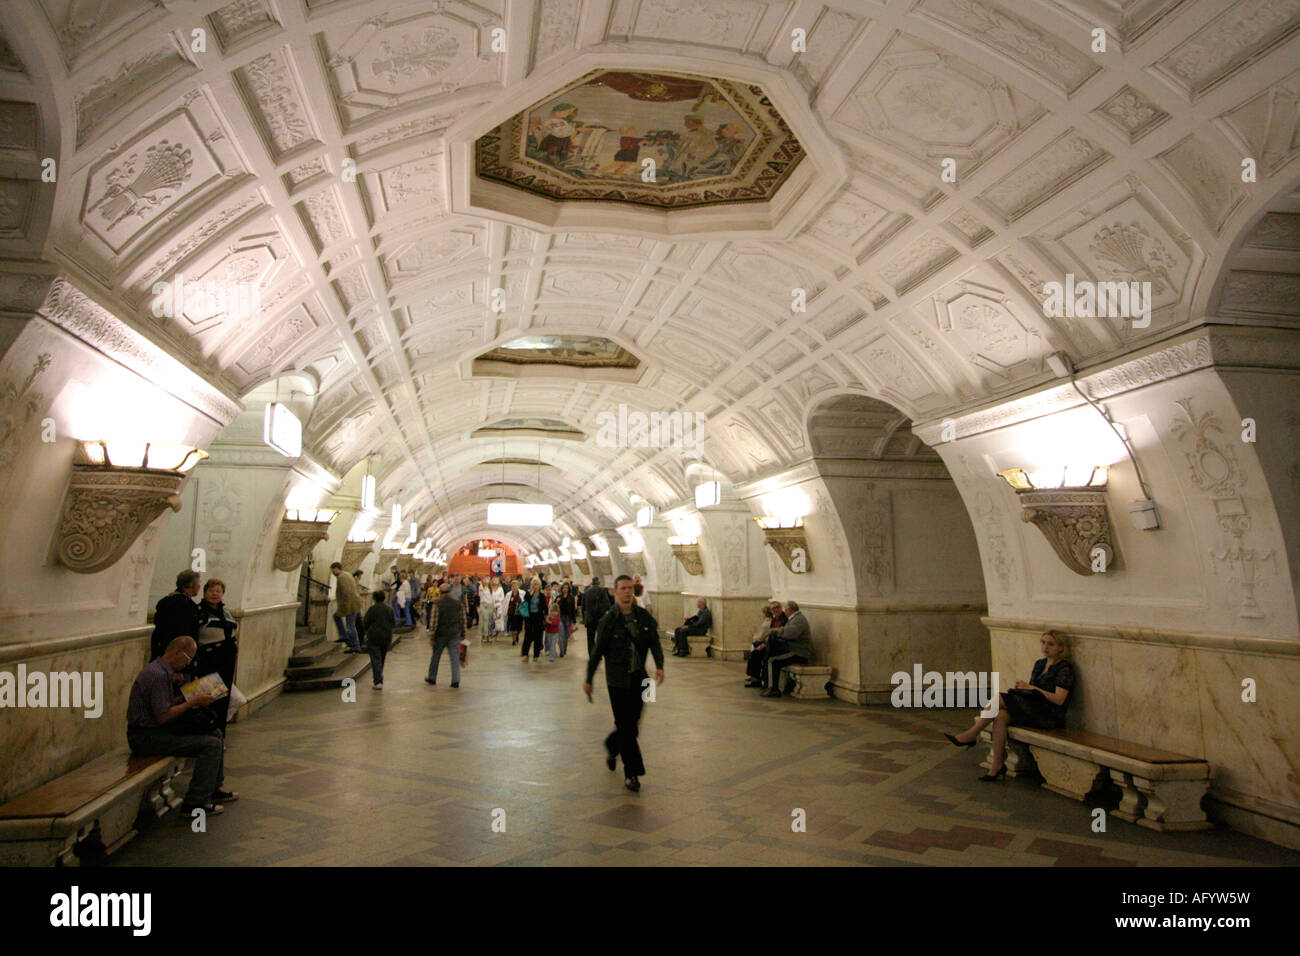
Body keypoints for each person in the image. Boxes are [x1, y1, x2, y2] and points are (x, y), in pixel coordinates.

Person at [944, 630, 1076, 780]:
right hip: (1034, 708)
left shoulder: (1064, 669)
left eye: (1050, 644)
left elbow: (1059, 699)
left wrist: (1032, 688)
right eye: (1043, 642)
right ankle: (997, 765)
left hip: (1049, 715)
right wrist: (1024, 689)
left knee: (999, 698)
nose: (1045, 647)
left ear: (1060, 647)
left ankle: (972, 734)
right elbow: (1033, 692)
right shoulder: (1040, 664)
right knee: (1000, 715)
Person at [126, 636, 236, 815]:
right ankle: (195, 803)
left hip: (155, 731)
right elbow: (163, 716)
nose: (188, 664)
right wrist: (192, 702)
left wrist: (190, 696)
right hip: (145, 737)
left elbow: (163, 705)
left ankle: (213, 789)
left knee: (215, 733)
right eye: (188, 658)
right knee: (211, 745)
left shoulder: (162, 671)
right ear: (176, 653)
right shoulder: (157, 675)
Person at [583, 575, 664, 792]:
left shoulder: (643, 617)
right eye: (623, 588)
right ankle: (633, 773)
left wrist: (660, 665)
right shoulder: (609, 620)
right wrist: (589, 678)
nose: (627, 592)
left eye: (630, 588)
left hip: (643, 680)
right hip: (617, 680)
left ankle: (612, 745)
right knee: (627, 727)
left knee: (633, 724)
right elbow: (597, 652)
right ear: (615, 592)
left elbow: (655, 642)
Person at [196, 578, 239, 732]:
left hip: (226, 660)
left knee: (223, 698)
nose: (215, 594)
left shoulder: (225, 612)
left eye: (218, 591)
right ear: (205, 592)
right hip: (210, 660)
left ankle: (220, 732)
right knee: (211, 698)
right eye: (211, 591)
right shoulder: (199, 612)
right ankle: (208, 731)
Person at [758, 601, 812, 698]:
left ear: (790, 610)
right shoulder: (794, 619)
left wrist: (776, 630)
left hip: (799, 652)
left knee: (772, 661)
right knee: (767, 656)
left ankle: (773, 689)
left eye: (785, 609)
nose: (784, 611)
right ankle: (766, 683)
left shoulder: (798, 620)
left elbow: (790, 633)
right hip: (793, 649)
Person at [151, 570, 204, 659]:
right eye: (199, 583)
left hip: (161, 651)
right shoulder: (187, 605)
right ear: (193, 585)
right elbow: (185, 633)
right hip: (177, 655)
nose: (199, 586)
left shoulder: (167, 601)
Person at [425, 583, 465, 687]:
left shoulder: (437, 604)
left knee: (436, 656)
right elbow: (462, 619)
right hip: (454, 633)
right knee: (454, 658)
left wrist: (432, 636)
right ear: (450, 592)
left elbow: (433, 622)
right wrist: (463, 633)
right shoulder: (458, 604)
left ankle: (432, 678)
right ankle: (455, 680)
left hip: (440, 635)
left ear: (440, 592)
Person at [363, 591, 395, 689]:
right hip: (386, 637)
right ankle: (379, 676)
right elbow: (393, 623)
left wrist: (366, 632)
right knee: (382, 657)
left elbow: (366, 622)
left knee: (375, 659)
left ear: (374, 599)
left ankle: (378, 681)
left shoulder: (372, 609)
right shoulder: (389, 609)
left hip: (374, 637)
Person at [330, 561, 363, 653]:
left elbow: (346, 593)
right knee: (338, 617)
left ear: (336, 569)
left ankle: (355, 645)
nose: (332, 572)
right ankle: (344, 637)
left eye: (332, 570)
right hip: (353, 603)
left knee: (350, 625)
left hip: (350, 605)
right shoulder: (347, 574)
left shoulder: (341, 577)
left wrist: (344, 608)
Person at [745, 606, 774, 688]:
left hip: (767, 644)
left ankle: (755, 677)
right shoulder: (768, 622)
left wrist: (757, 639)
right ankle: (753, 676)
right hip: (766, 643)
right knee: (753, 652)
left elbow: (762, 636)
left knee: (754, 653)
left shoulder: (766, 623)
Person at [582, 576, 612, 657]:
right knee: (600, 637)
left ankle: (591, 654)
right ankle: (598, 654)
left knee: (590, 638)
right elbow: (607, 605)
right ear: (598, 583)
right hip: (599, 618)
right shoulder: (602, 591)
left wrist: (584, 618)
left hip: (589, 618)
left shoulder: (586, 592)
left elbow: (583, 606)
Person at [520, 579, 548, 661]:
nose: (535, 586)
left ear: (539, 586)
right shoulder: (528, 594)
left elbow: (544, 607)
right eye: (533, 584)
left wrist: (546, 616)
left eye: (536, 584)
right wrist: (530, 594)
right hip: (529, 617)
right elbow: (525, 602)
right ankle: (525, 654)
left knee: (538, 636)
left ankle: (536, 655)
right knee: (528, 636)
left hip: (538, 617)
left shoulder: (542, 595)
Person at [557, 582, 577, 658]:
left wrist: (574, 620)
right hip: (560, 618)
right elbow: (555, 607)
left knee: (566, 635)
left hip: (568, 618)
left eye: (567, 588)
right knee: (561, 635)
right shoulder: (559, 597)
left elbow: (572, 609)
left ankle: (564, 649)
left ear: (569, 589)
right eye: (564, 588)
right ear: (562, 589)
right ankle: (561, 651)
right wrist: (557, 601)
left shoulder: (571, 598)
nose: (565, 589)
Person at [543, 598, 562, 662]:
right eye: (552, 611)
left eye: (555, 611)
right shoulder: (549, 617)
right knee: (549, 643)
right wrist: (546, 621)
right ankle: (553, 652)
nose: (554, 613)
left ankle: (552, 657)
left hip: (555, 633)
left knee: (552, 644)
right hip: (548, 632)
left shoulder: (558, 618)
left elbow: (554, 624)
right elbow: (546, 624)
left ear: (558, 612)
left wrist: (548, 621)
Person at [506, 580, 524, 644]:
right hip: (511, 613)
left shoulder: (522, 593)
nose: (514, 587)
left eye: (515, 585)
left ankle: (517, 635)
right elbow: (506, 603)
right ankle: (513, 640)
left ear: (518, 586)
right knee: (512, 627)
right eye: (513, 586)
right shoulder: (508, 594)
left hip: (519, 613)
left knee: (519, 628)